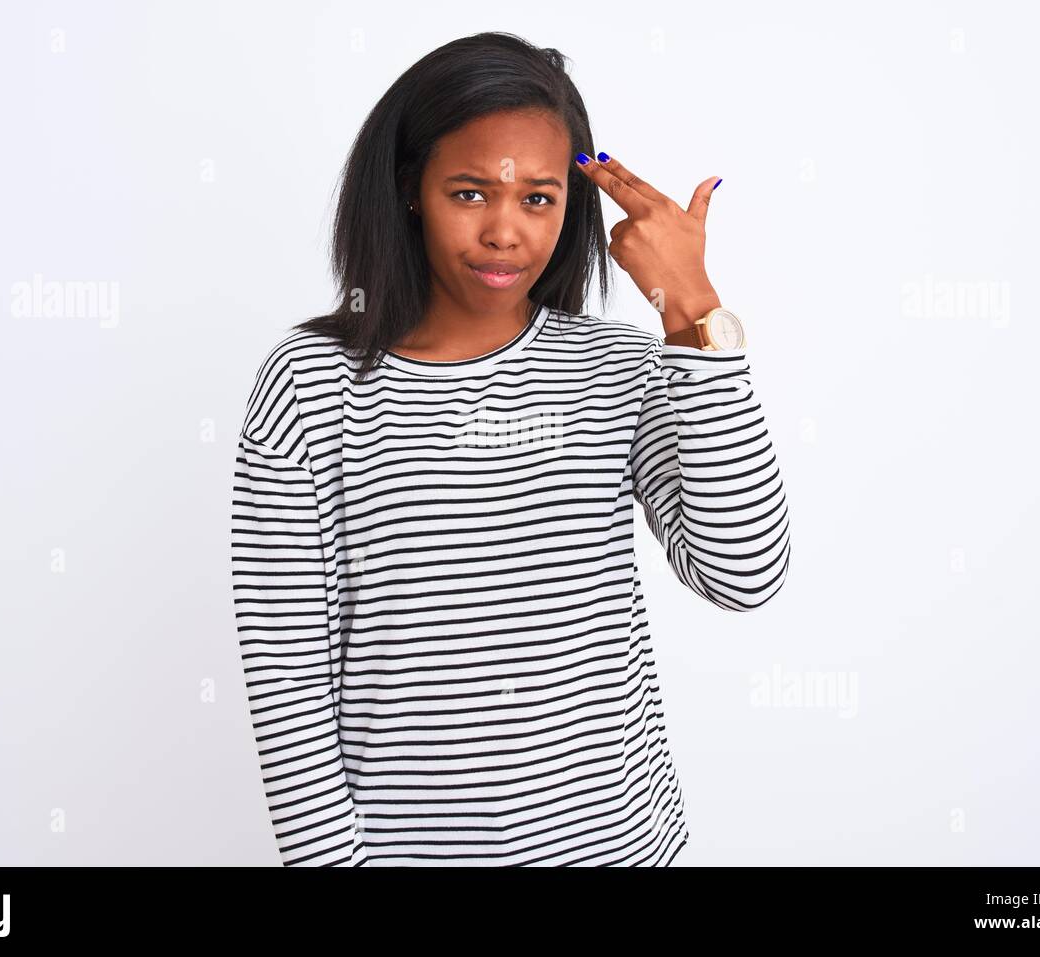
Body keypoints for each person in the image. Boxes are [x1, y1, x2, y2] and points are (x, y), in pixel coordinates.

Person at [230, 31, 791, 866]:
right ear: (410, 188)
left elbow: (744, 574)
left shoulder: (621, 370)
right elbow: (288, 683)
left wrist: (693, 312)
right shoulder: (312, 385)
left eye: (537, 198)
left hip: (621, 846)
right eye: (469, 192)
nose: (505, 232)